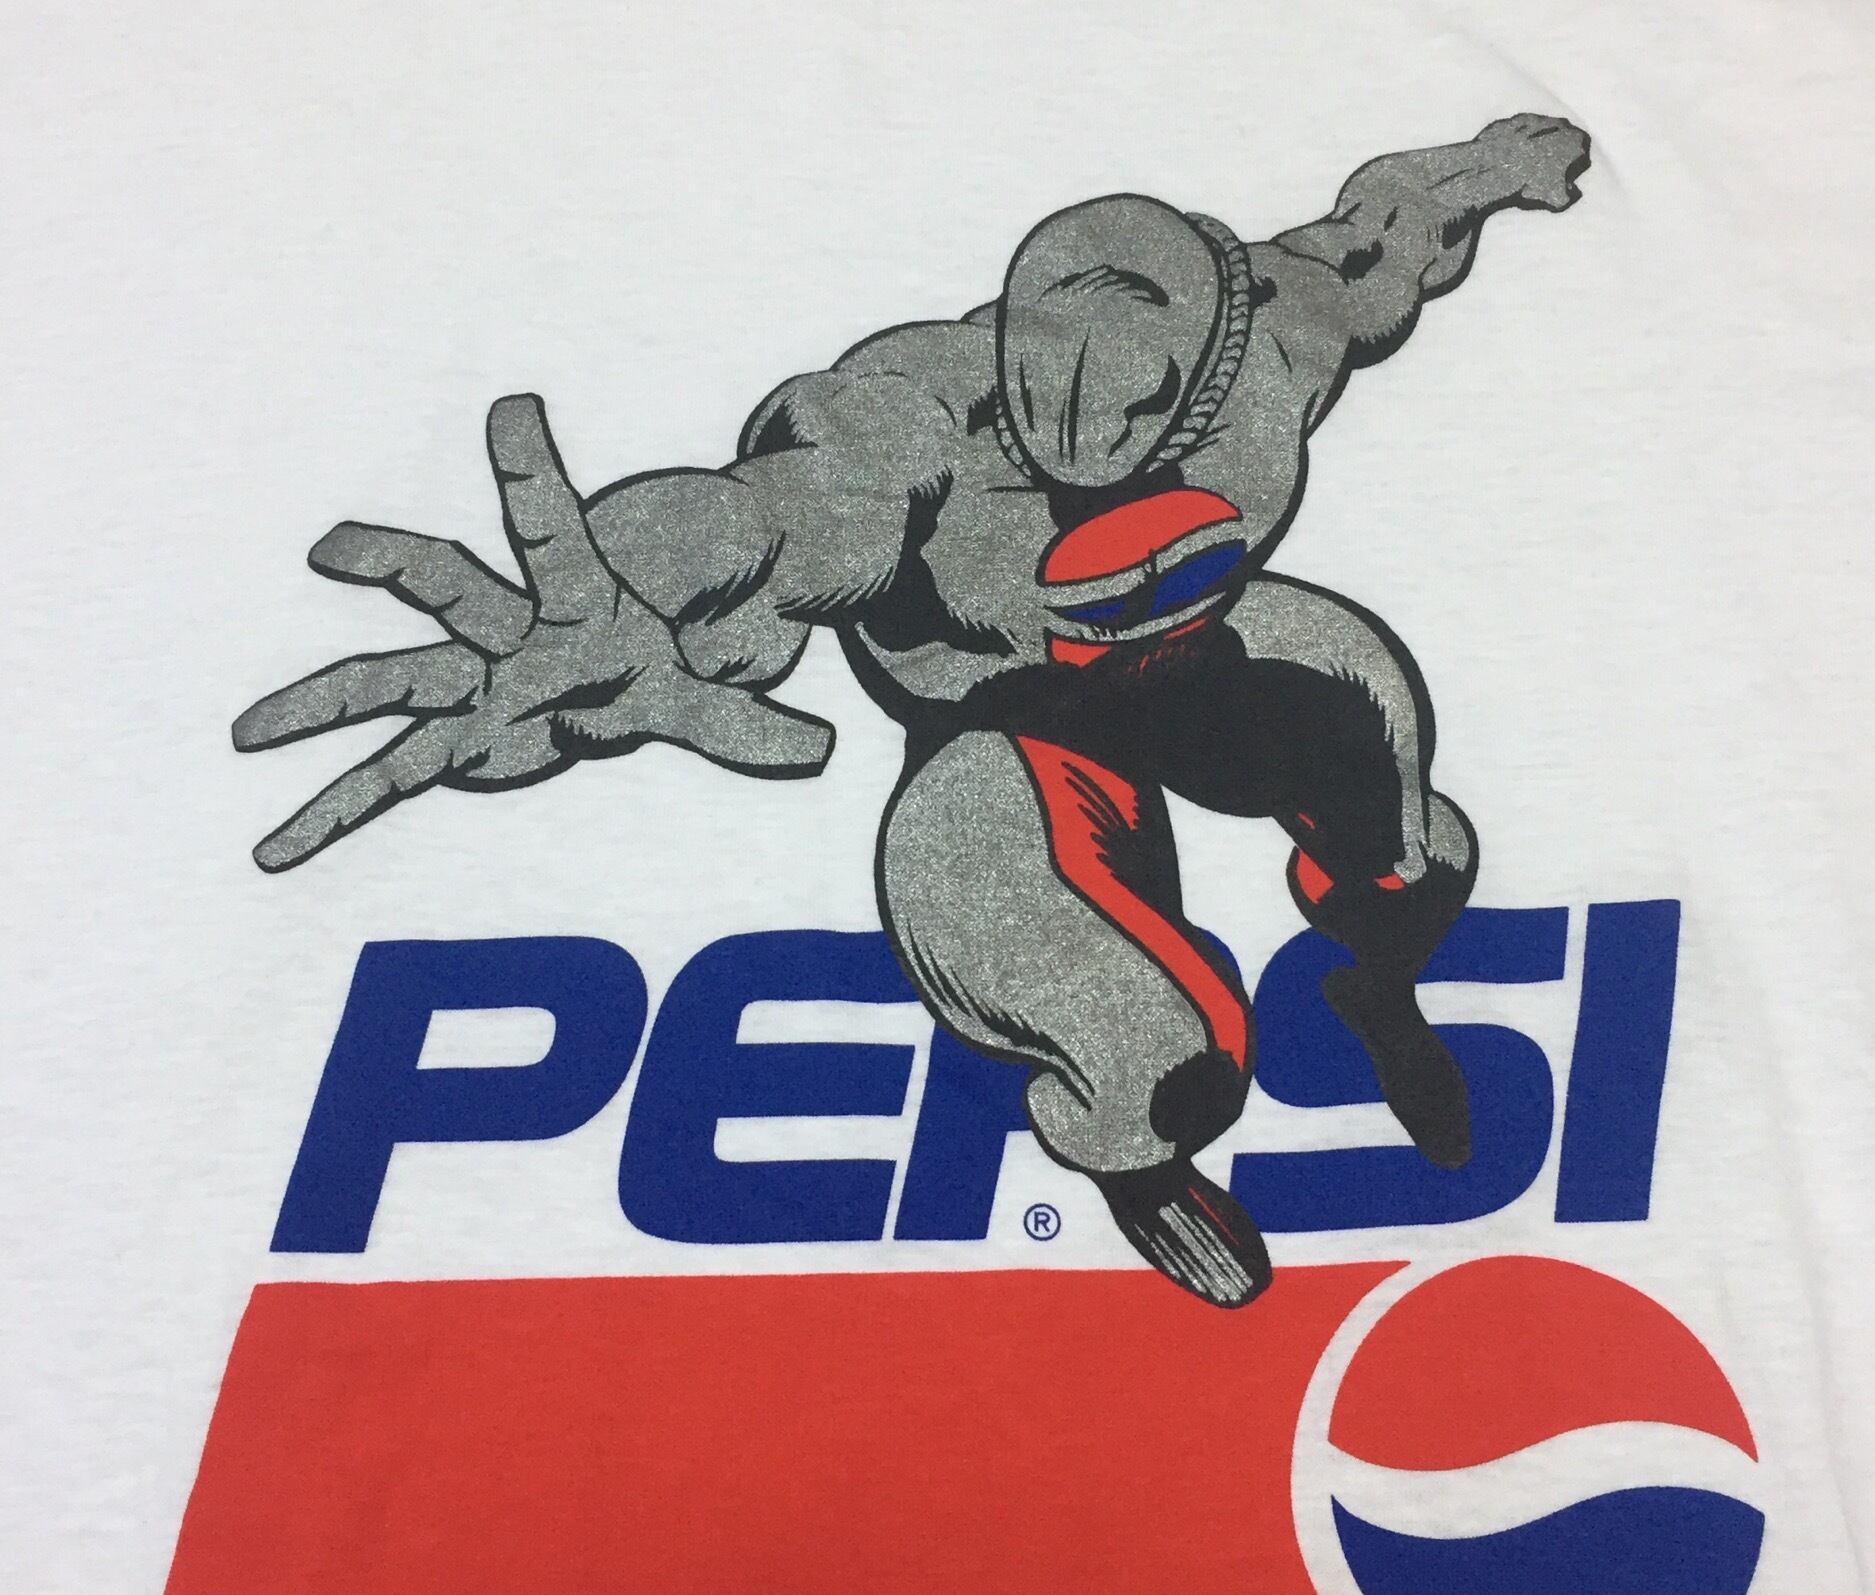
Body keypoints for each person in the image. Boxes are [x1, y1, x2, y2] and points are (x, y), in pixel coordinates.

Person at [234, 113, 1592, 1309]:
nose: (1079, 439)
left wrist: (1487, 167)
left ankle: (1377, 982)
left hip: (1200, 659)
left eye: (1127, 407)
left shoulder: (1282, 335)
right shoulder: (921, 408)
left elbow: (1391, 230)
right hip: (999, 723)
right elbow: (781, 512)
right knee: (1160, 1058)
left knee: (1410, 839)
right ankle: (1130, 1162)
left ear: (1212, 356)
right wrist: (632, 585)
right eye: (1043, 384)